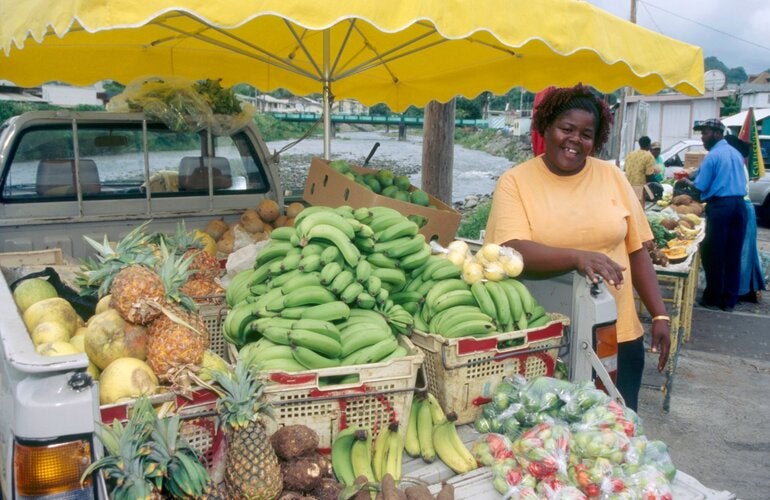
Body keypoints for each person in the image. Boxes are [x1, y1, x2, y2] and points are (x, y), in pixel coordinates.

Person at [484, 84, 670, 411]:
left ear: (596, 140)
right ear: (546, 127)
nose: (575, 140)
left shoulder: (612, 176)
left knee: (616, 431)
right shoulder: (516, 181)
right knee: (550, 435)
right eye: (566, 129)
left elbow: (637, 251)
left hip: (618, 333)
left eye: (586, 134)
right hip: (551, 338)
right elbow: (511, 250)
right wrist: (576, 257)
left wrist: (659, 314)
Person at [691, 119, 748, 312]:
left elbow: (700, 186)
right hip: (739, 206)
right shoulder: (735, 153)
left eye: (705, 133)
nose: (702, 137)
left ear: (717, 133)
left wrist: (688, 187)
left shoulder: (713, 156)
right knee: (733, 253)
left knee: (713, 253)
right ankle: (729, 300)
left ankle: (712, 298)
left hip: (721, 206)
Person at [723, 134, 766, 303]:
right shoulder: (738, 161)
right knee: (745, 252)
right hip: (744, 208)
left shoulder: (736, 163)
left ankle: (741, 290)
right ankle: (746, 288)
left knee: (742, 253)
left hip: (743, 208)